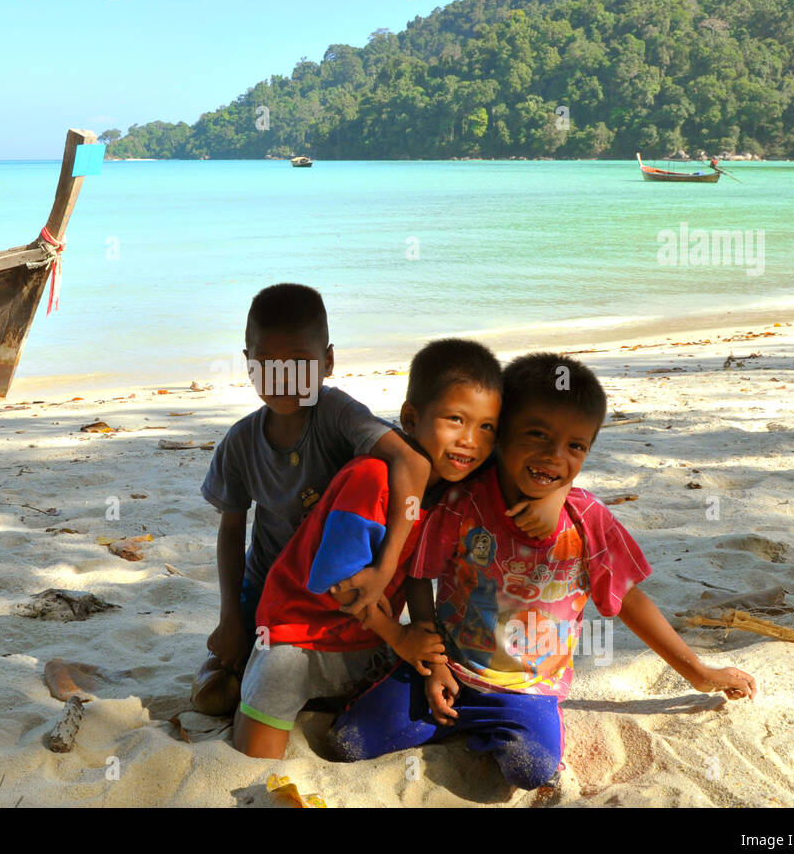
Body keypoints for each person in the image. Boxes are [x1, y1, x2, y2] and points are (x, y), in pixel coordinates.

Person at [329, 351, 757, 792]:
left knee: (531, 770)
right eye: (536, 435)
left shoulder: (587, 519)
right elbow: (421, 574)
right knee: (349, 742)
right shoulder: (462, 504)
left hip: (527, 690)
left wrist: (699, 673)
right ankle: (441, 712)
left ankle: (475, 729)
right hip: (448, 670)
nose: (554, 457)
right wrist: (433, 661)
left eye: (575, 446)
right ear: (501, 433)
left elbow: (628, 600)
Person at [197, 288, 563, 715]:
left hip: (347, 584)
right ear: (248, 362)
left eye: (299, 362)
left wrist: (554, 494)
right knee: (214, 696)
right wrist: (228, 618)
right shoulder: (240, 443)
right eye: (266, 363)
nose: (283, 376)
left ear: (328, 362)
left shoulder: (335, 413)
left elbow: (426, 461)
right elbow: (230, 531)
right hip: (270, 592)